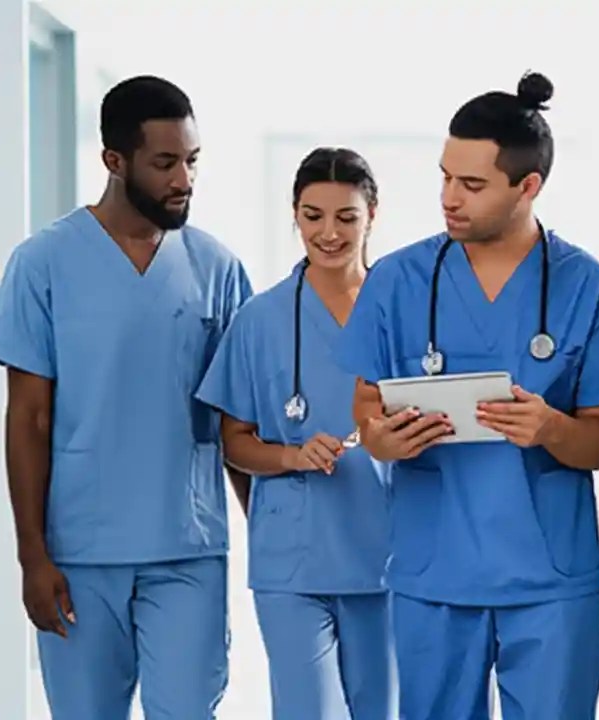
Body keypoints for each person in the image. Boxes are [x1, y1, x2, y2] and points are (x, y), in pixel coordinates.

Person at [336, 71, 599, 720]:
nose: (450, 197)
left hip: (549, 578)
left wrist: (549, 429)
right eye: (445, 176)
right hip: (434, 571)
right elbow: (365, 405)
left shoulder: (591, 287)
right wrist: (378, 437)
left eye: (471, 185)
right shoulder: (397, 279)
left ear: (527, 187)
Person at [0, 75, 252, 719]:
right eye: (164, 163)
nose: (183, 178)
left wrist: (269, 534)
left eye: (191, 160)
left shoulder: (218, 270)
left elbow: (239, 421)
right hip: (79, 552)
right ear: (114, 161)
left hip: (187, 546)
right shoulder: (42, 263)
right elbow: (29, 418)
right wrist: (31, 554)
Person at [195, 147, 397, 720]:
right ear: (294, 214)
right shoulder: (260, 319)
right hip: (294, 560)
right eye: (313, 216)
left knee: (380, 712)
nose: (328, 233)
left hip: (386, 554)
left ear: (372, 215)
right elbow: (234, 441)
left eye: (346, 217)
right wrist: (292, 455)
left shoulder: (400, 312)